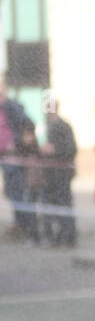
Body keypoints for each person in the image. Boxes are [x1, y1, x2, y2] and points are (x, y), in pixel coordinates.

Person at [41, 96, 78, 248]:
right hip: (51, 173)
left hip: (62, 173)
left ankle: (68, 236)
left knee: (64, 204)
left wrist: (55, 150)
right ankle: (56, 236)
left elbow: (71, 149)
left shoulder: (64, 126)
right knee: (53, 204)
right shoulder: (48, 126)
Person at [0, 75, 31, 237]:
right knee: (11, 191)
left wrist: (16, 142)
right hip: (4, 157)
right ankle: (19, 223)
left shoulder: (12, 107)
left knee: (17, 191)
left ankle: (25, 224)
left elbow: (26, 126)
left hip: (13, 157)